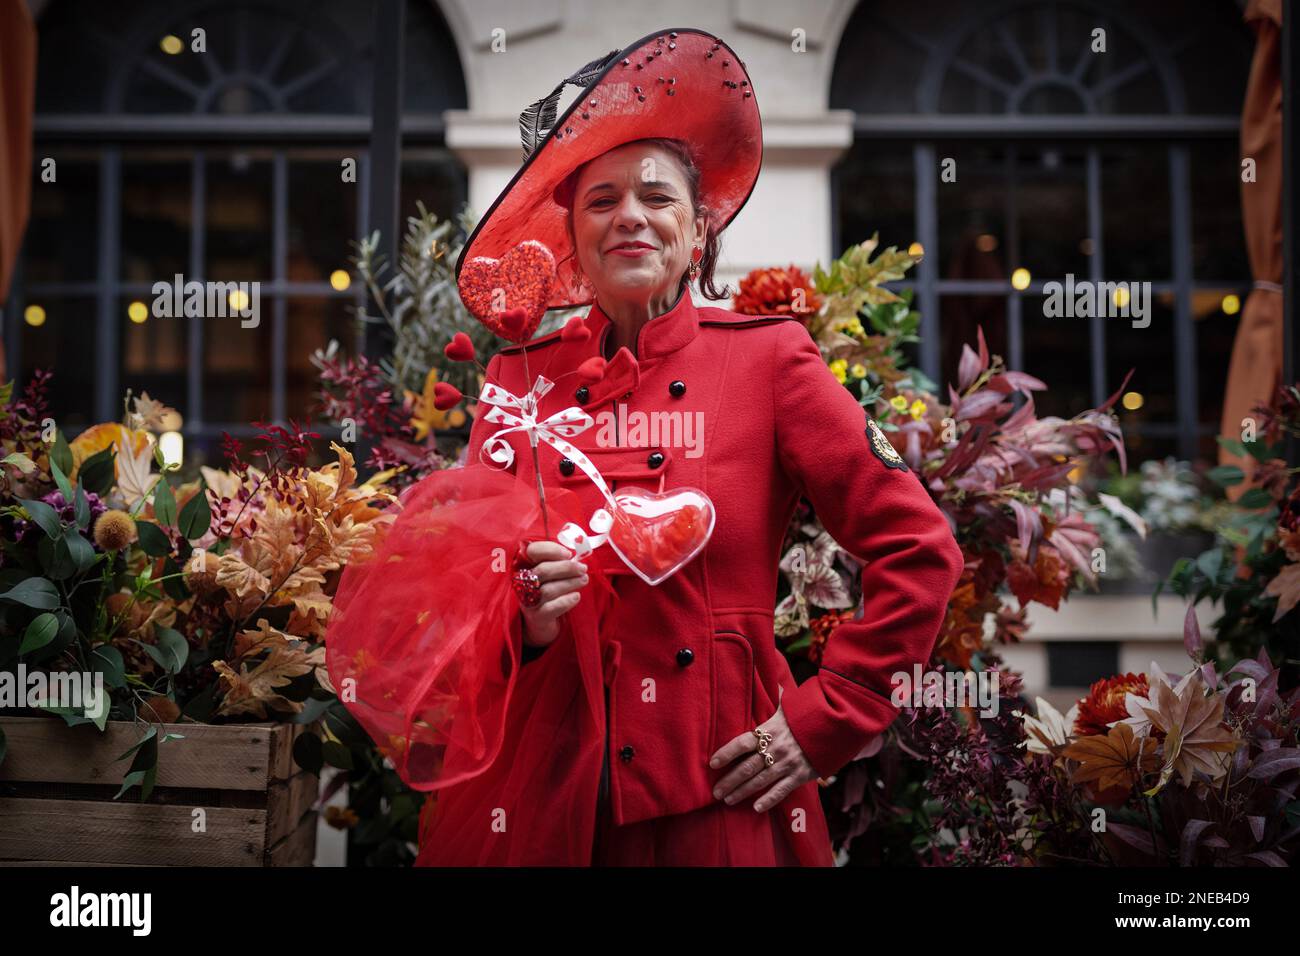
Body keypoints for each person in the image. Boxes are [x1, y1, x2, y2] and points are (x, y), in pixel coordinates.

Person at [330, 28, 963, 867]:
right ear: (575, 241)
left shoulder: (770, 359)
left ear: (696, 233)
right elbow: (460, 611)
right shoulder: (518, 380)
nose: (630, 215)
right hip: (542, 787)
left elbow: (920, 548)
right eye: (601, 200)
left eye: (656, 198)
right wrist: (530, 617)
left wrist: (828, 718)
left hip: (719, 783)